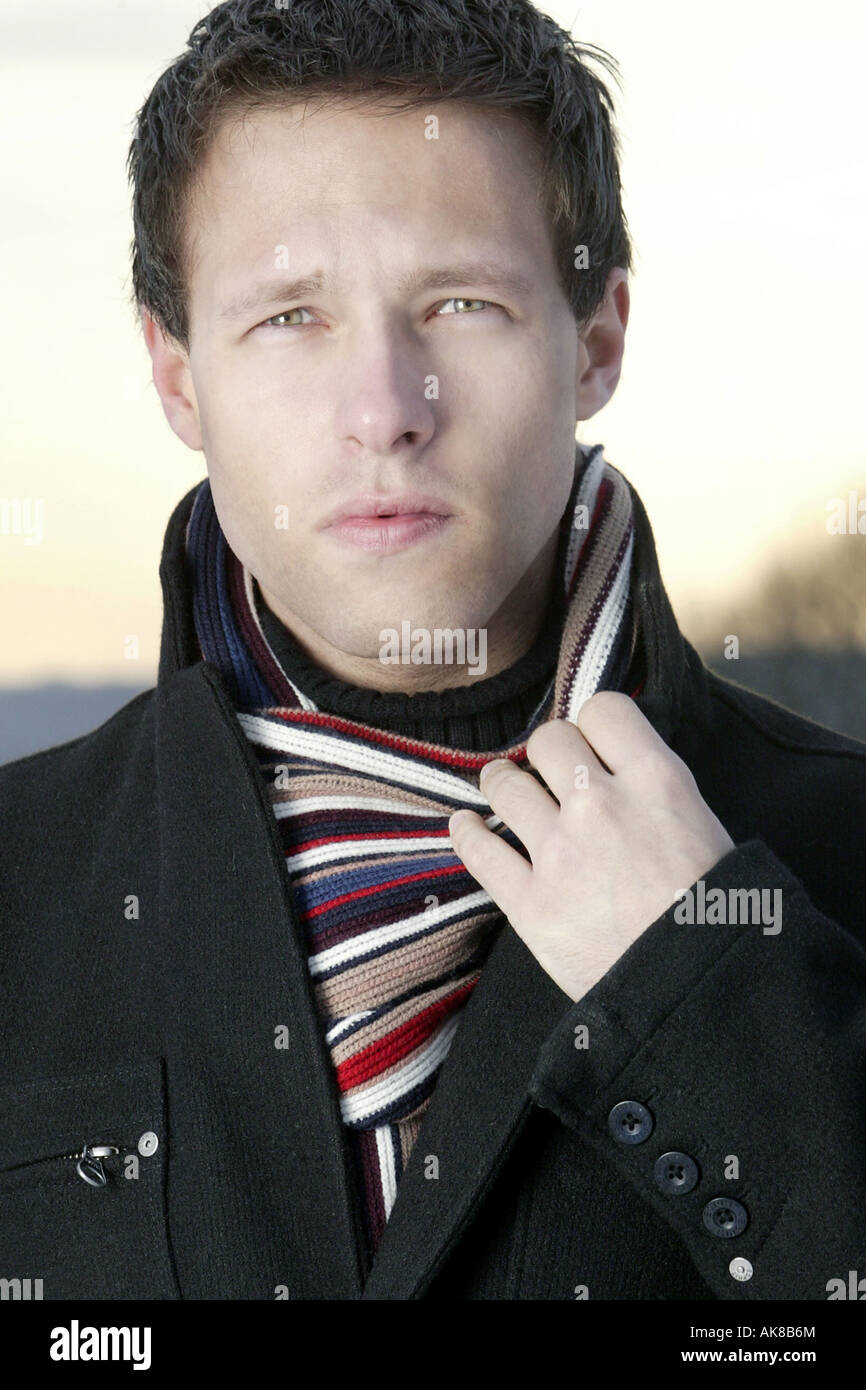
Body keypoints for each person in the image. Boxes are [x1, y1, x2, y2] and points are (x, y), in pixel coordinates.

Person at [1, 0, 864, 1302]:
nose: (384, 412)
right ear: (177, 378)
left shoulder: (844, 840)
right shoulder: (19, 878)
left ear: (599, 339)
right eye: (292, 316)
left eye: (461, 302)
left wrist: (712, 1003)